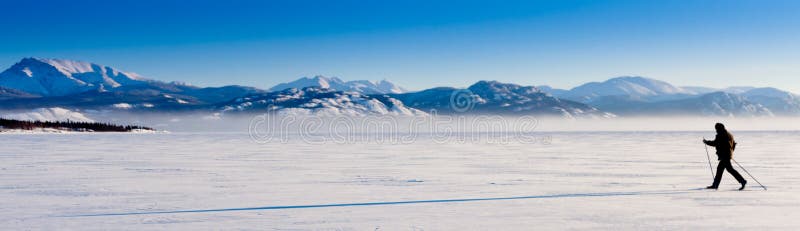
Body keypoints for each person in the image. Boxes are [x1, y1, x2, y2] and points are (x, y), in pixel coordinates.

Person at [703, 123, 747, 190]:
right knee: (724, 169)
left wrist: (706, 142)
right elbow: (733, 144)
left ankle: (742, 181)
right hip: (727, 155)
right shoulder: (729, 134)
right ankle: (715, 185)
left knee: (726, 170)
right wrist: (730, 153)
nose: (716, 130)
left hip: (725, 156)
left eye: (716, 128)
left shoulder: (721, 134)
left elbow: (715, 143)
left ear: (718, 128)